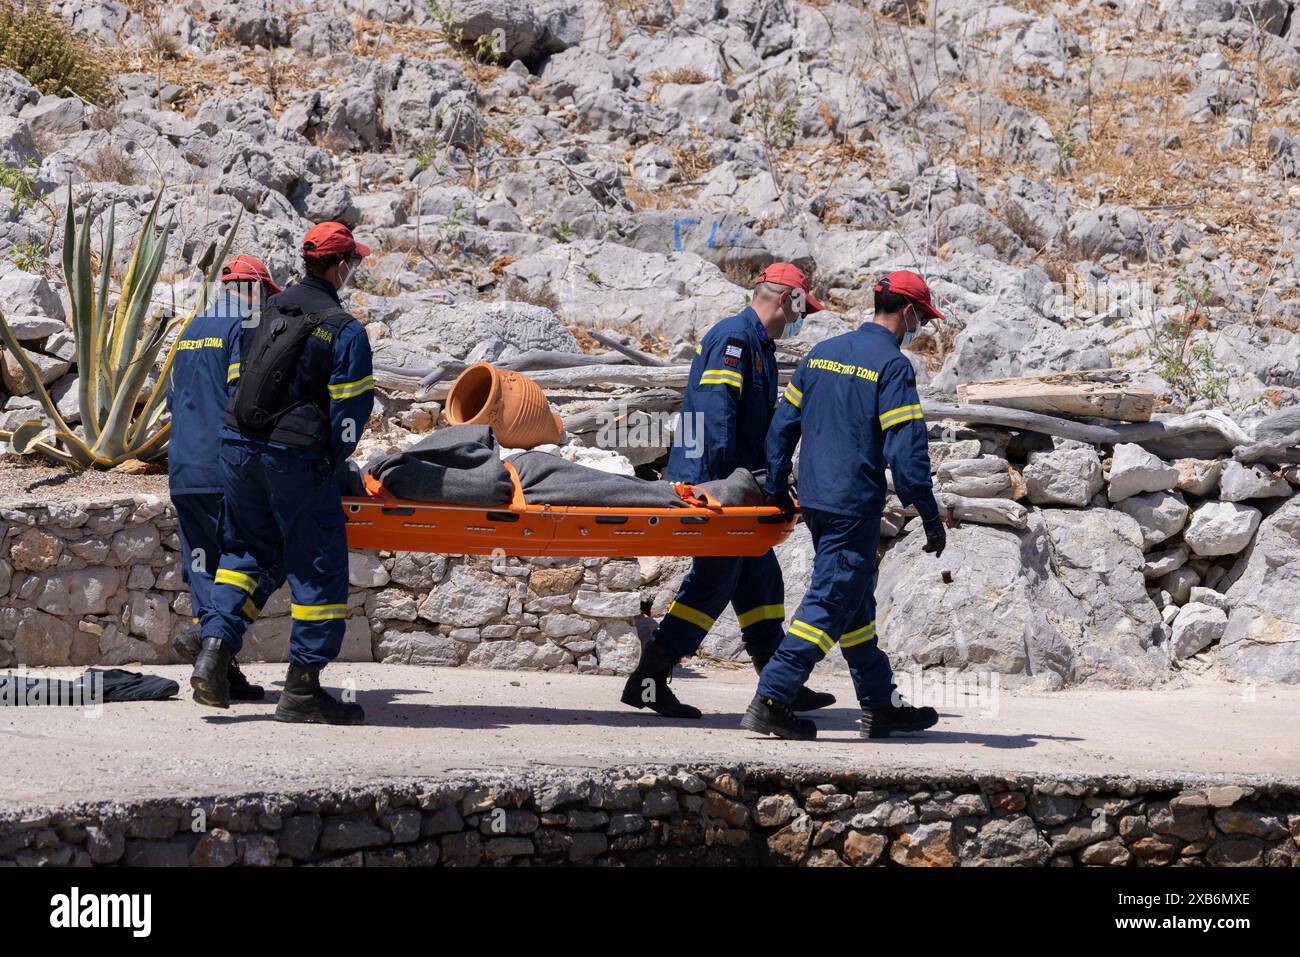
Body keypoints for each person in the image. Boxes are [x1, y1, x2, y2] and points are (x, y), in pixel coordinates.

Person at [620, 263, 836, 719]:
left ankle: (780, 681)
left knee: (761, 580)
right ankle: (650, 677)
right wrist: (721, 492)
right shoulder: (735, 340)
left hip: (739, 484)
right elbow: (717, 419)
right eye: (803, 308)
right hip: (723, 486)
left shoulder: (756, 342)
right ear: (787, 299)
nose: (802, 319)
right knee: (716, 580)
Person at [744, 270, 948, 740]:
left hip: (815, 499)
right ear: (910, 313)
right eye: (923, 320)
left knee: (853, 604)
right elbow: (905, 452)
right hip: (853, 505)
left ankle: (880, 704)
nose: (922, 329)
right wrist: (930, 515)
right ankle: (771, 698)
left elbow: (782, 427)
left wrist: (777, 485)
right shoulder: (892, 367)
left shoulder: (823, 354)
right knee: (830, 599)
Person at [190, 222, 375, 724]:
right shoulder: (345, 329)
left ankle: (213, 653)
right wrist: (331, 466)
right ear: (338, 267)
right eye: (352, 263)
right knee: (317, 565)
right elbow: (350, 414)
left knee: (244, 553)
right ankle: (302, 690)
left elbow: (235, 383)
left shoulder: (259, 314)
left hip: (237, 450)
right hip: (294, 460)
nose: (352, 270)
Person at [167, 255, 287, 701]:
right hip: (226, 469)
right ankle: (217, 642)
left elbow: (173, 403)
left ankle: (218, 673)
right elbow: (245, 401)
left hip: (184, 471)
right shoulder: (246, 326)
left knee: (204, 567)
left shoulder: (190, 330)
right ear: (255, 289)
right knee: (266, 557)